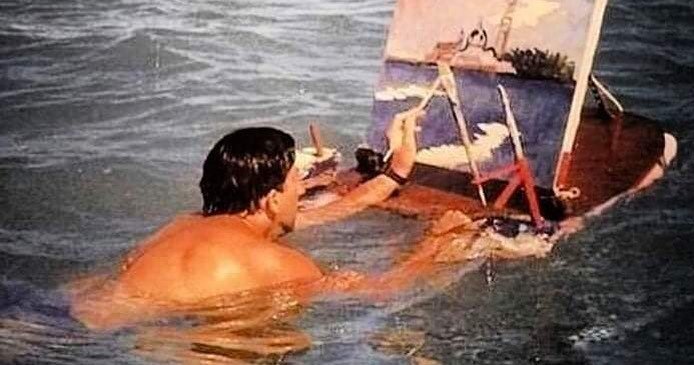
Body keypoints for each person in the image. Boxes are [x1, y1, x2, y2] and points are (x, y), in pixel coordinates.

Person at [71, 109, 450, 328]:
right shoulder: (276, 263)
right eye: (296, 182)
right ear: (270, 200)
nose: (302, 189)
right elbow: (384, 290)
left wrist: (397, 170)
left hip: (73, 314)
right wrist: (441, 242)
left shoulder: (184, 224)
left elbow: (333, 211)